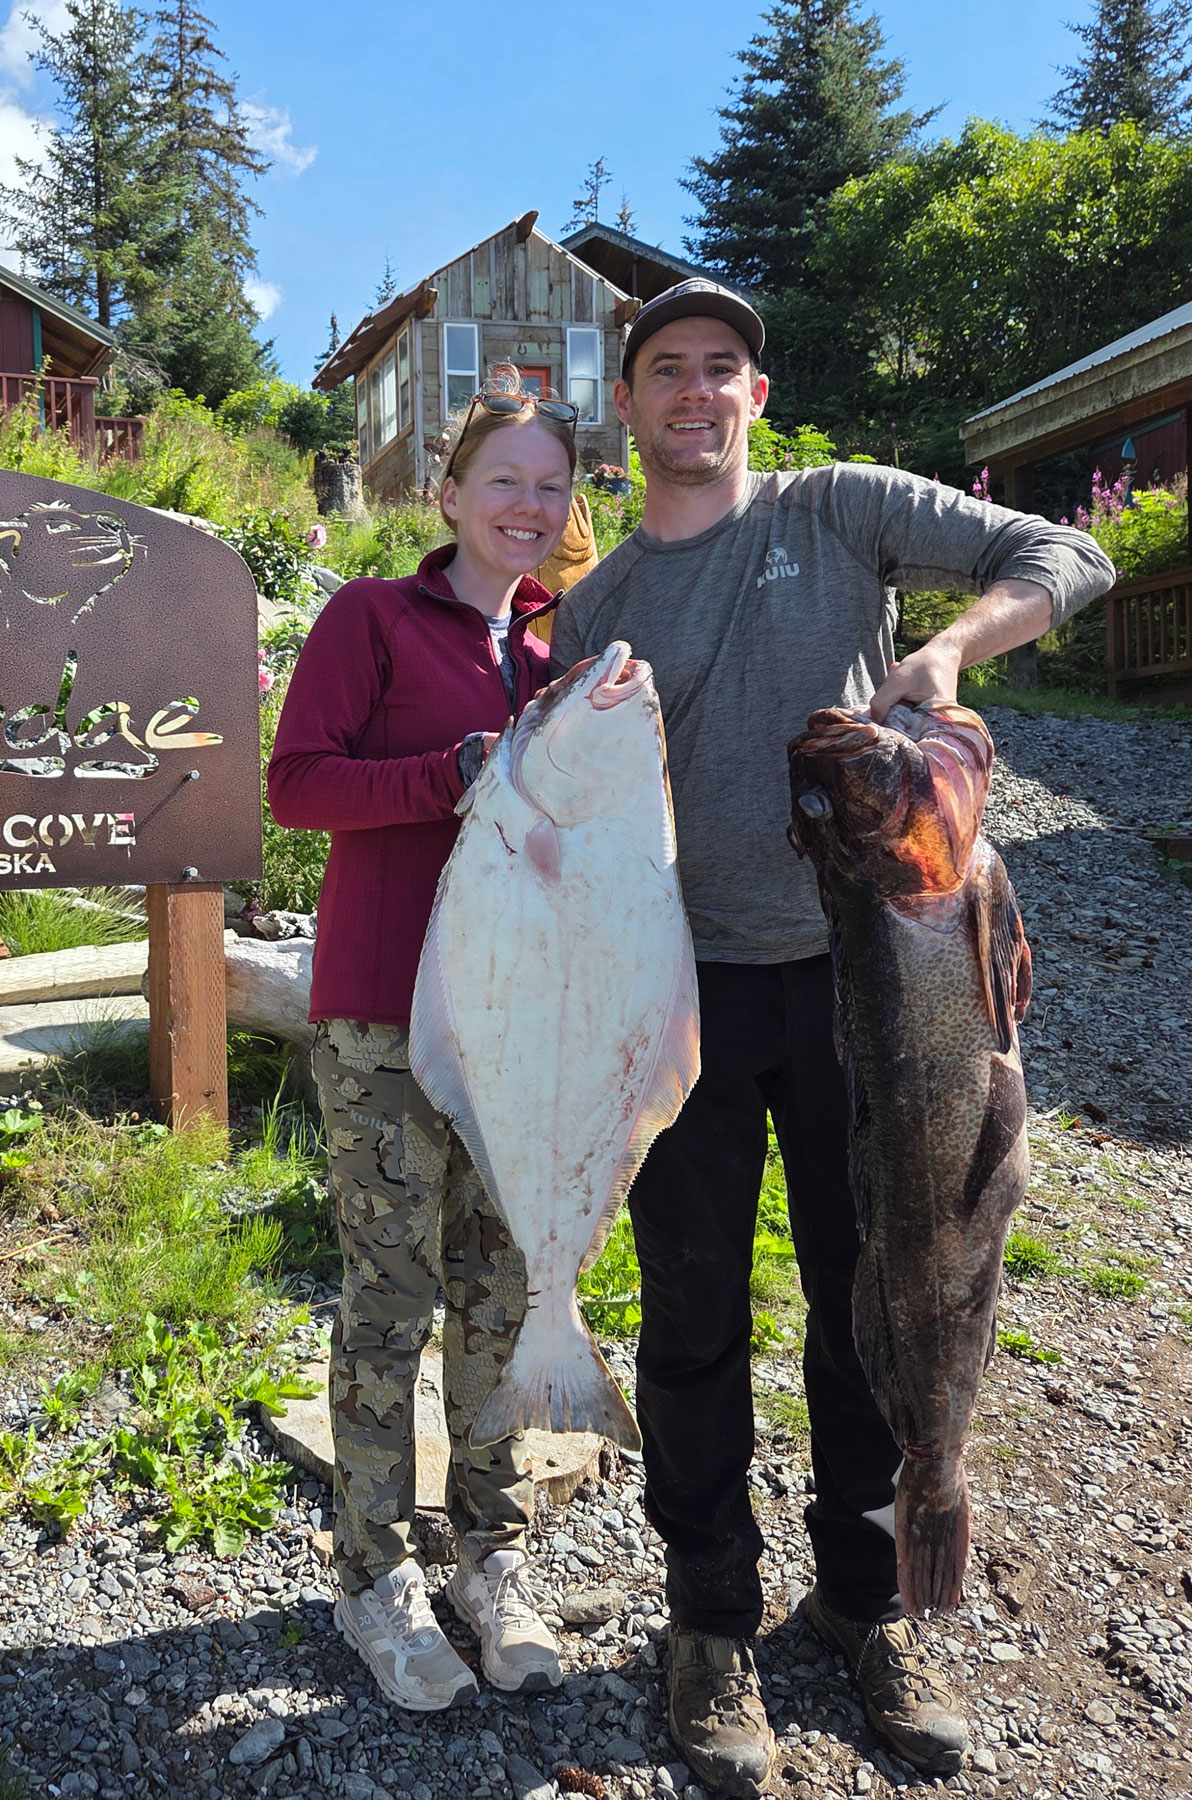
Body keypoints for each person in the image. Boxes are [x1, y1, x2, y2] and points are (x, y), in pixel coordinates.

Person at [549, 278, 1115, 1796]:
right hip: (681, 1001)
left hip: (878, 991)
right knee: (689, 1317)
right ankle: (711, 1620)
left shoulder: (844, 510)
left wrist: (947, 656)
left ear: (756, 393)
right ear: (628, 407)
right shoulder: (593, 614)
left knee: (882, 1293)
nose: (692, 392)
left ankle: (871, 1607)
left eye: (719, 368)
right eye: (664, 370)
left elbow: (1068, 552)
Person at [267, 387, 578, 1711]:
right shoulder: (369, 620)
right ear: (447, 496)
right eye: (502, 479)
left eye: (550, 488)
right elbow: (295, 783)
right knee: (390, 1301)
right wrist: (441, 775)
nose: (526, 505)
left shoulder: (569, 658)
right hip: (386, 1013)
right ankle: (378, 1579)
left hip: (523, 1027)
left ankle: (492, 1557)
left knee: (505, 1297)